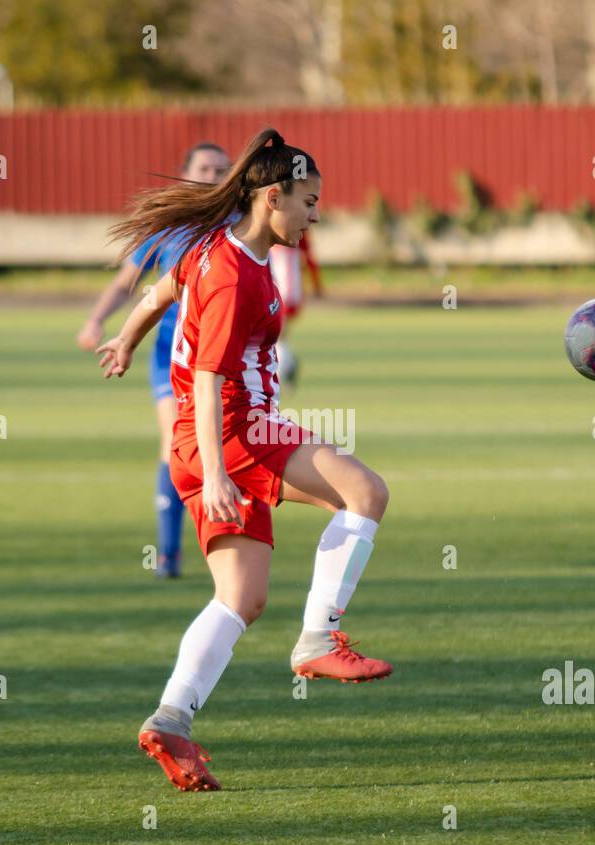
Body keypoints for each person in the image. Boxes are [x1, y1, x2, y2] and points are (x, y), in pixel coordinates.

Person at [96, 128, 392, 792]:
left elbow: (159, 293)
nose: (315, 214)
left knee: (241, 597)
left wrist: (123, 338)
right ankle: (318, 639)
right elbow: (206, 379)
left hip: (204, 445)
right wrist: (224, 470)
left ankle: (171, 719)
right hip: (236, 432)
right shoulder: (233, 274)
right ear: (271, 196)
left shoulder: (209, 250)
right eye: (309, 201)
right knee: (366, 492)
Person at [78, 142, 231, 579]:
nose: (214, 175)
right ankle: (168, 552)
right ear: (184, 173)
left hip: (220, 354)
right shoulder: (169, 228)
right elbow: (129, 282)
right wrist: (96, 320)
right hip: (172, 354)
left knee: (224, 443)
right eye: (204, 167)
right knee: (175, 443)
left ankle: (230, 545)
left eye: (222, 169)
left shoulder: (238, 224)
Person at [268, 230, 322, 386]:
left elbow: (308, 256)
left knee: (279, 335)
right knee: (279, 336)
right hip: (282, 287)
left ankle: (283, 372)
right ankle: (288, 367)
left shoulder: (296, 228)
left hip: (286, 288)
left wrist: (316, 283)